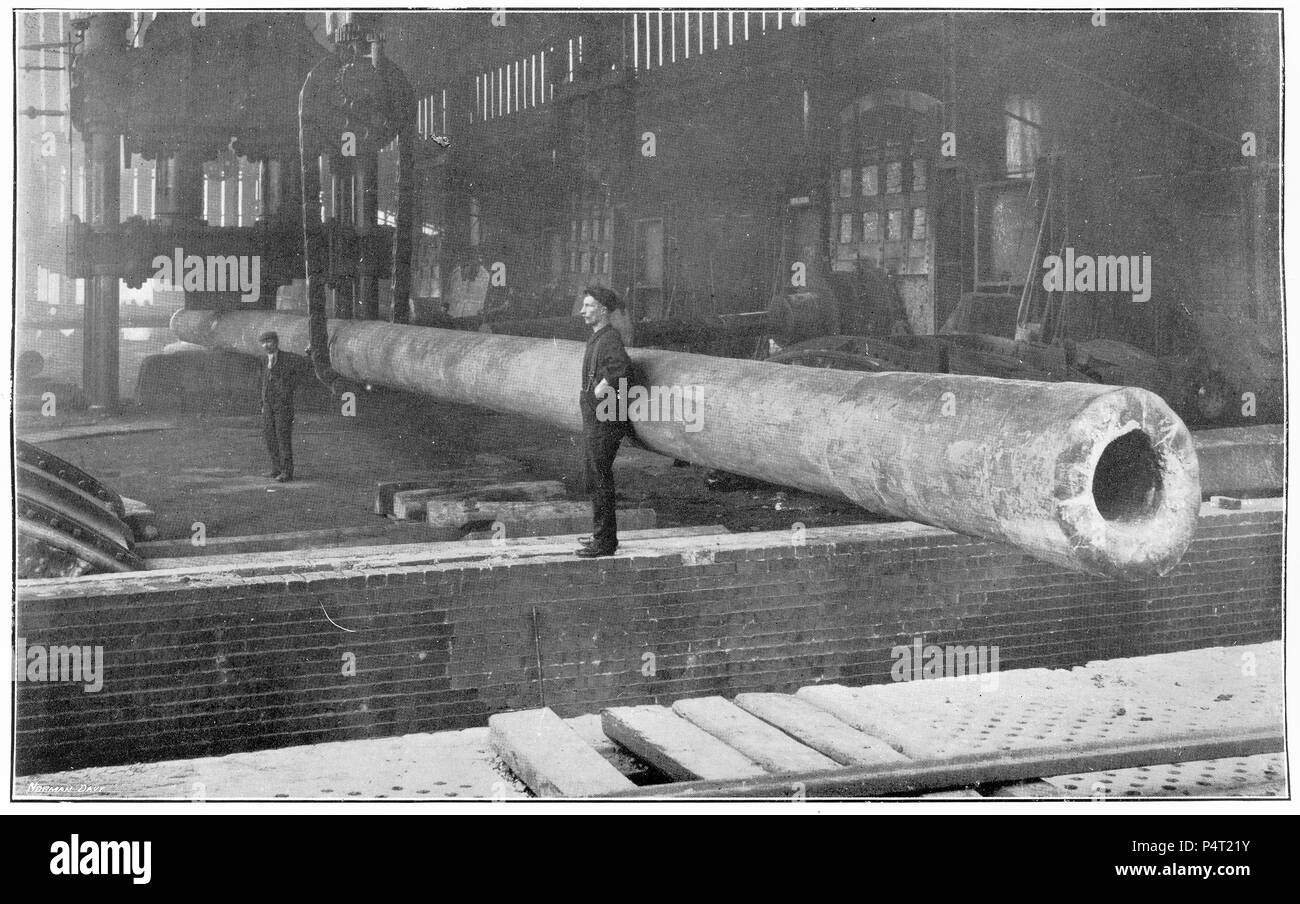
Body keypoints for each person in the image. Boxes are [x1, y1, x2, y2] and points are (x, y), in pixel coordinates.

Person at [577, 286, 632, 558]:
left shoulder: (609, 338)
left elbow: (622, 368)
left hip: (604, 419)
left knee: (599, 479)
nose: (583, 311)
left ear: (602, 309)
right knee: (594, 478)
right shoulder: (599, 337)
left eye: (588, 306)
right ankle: (601, 536)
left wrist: (603, 386)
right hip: (596, 417)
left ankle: (605, 542)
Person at [258, 330, 296, 482]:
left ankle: (287, 472)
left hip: (282, 406)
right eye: (264, 342)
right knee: (270, 437)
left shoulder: (288, 359)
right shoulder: (263, 360)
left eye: (269, 342)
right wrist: (262, 403)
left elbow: (295, 379)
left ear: (276, 342)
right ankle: (276, 468)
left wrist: (285, 394)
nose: (266, 345)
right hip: (268, 405)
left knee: (283, 437)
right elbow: (261, 383)